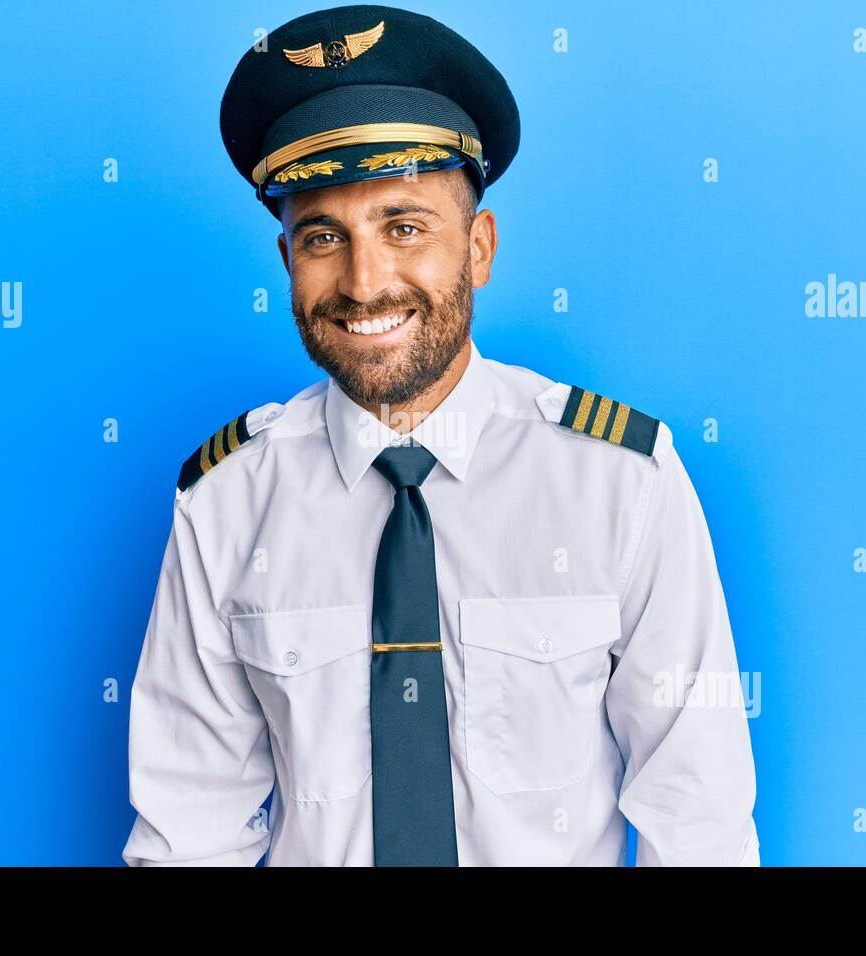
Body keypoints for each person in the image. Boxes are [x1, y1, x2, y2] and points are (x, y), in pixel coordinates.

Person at [121, 3, 760, 866]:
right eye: (322, 236)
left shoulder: (622, 482)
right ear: (286, 262)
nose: (364, 280)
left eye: (405, 226)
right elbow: (187, 833)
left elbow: (700, 822)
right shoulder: (226, 502)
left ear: (481, 247)